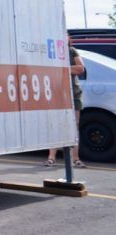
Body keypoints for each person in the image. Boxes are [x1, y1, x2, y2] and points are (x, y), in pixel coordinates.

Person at [45, 36, 87, 167]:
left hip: (73, 94)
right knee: (55, 125)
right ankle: (51, 157)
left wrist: (62, 69)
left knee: (74, 126)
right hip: (56, 93)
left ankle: (76, 158)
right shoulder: (50, 52)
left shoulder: (72, 51)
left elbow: (80, 68)